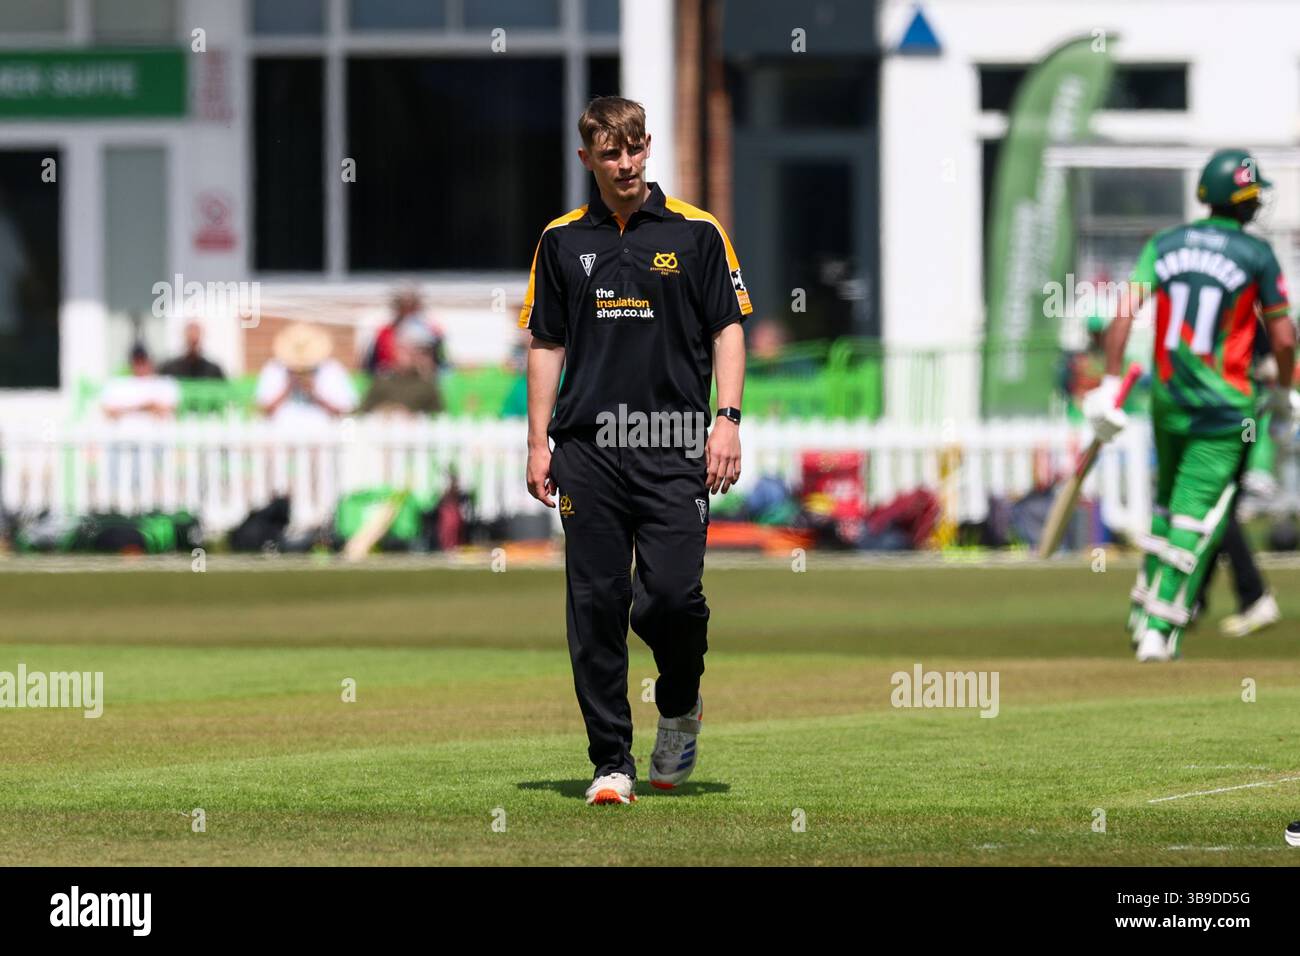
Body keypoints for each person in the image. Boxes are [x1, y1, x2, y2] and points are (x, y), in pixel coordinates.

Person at [521, 96, 750, 805]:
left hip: (672, 444)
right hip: (588, 449)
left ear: (648, 148)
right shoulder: (561, 240)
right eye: (608, 153)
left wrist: (728, 419)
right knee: (595, 604)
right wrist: (537, 443)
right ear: (586, 158)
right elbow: (545, 343)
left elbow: (729, 329)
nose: (624, 164)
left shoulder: (697, 233)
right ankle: (610, 762)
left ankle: (679, 707)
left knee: (672, 601)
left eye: (633, 150)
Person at [1087, 148, 1296, 662]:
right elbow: (1285, 337)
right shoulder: (1257, 255)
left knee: (1167, 506)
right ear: (1242, 200)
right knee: (1197, 517)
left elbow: (1123, 315)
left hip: (1168, 401)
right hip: (1225, 409)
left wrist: (1110, 384)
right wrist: (1284, 390)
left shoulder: (1164, 243)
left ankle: (1141, 614)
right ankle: (1160, 631)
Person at [256, 323, 358, 426]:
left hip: (324, 432)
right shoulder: (274, 368)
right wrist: (288, 387)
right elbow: (264, 410)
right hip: (281, 432)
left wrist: (314, 393)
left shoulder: (332, 369)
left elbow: (345, 412)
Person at [359, 320, 445, 416]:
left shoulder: (427, 385)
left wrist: (414, 417)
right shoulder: (382, 381)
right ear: (396, 349)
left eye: (416, 350)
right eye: (404, 348)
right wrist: (385, 410)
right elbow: (361, 412)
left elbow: (439, 417)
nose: (410, 354)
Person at [101, 344, 180, 423]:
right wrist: (147, 406)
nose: (140, 366)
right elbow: (109, 411)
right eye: (136, 362)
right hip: (124, 432)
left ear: (150, 362)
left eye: (143, 361)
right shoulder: (117, 384)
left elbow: (167, 410)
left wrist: (126, 409)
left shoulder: (165, 383)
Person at [158, 320, 226, 379]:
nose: (193, 339)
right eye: (190, 340)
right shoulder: (169, 369)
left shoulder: (214, 371)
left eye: (195, 341)